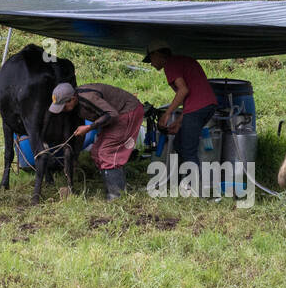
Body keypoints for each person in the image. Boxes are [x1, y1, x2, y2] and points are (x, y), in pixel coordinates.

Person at [49, 81, 144, 200]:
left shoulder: (88, 98)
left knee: (107, 152)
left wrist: (89, 127)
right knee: (96, 151)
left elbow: (112, 114)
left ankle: (117, 197)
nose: (62, 110)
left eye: (63, 107)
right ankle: (116, 186)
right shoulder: (76, 101)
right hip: (113, 117)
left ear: (72, 99)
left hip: (127, 111)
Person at [145, 42, 217, 182]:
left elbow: (183, 90)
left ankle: (194, 188)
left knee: (188, 149)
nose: (151, 64)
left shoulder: (170, 64)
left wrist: (167, 114)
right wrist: (179, 122)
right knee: (179, 143)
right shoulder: (182, 61)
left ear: (157, 54)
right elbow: (190, 98)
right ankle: (181, 180)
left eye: (151, 59)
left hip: (198, 108)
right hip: (207, 105)